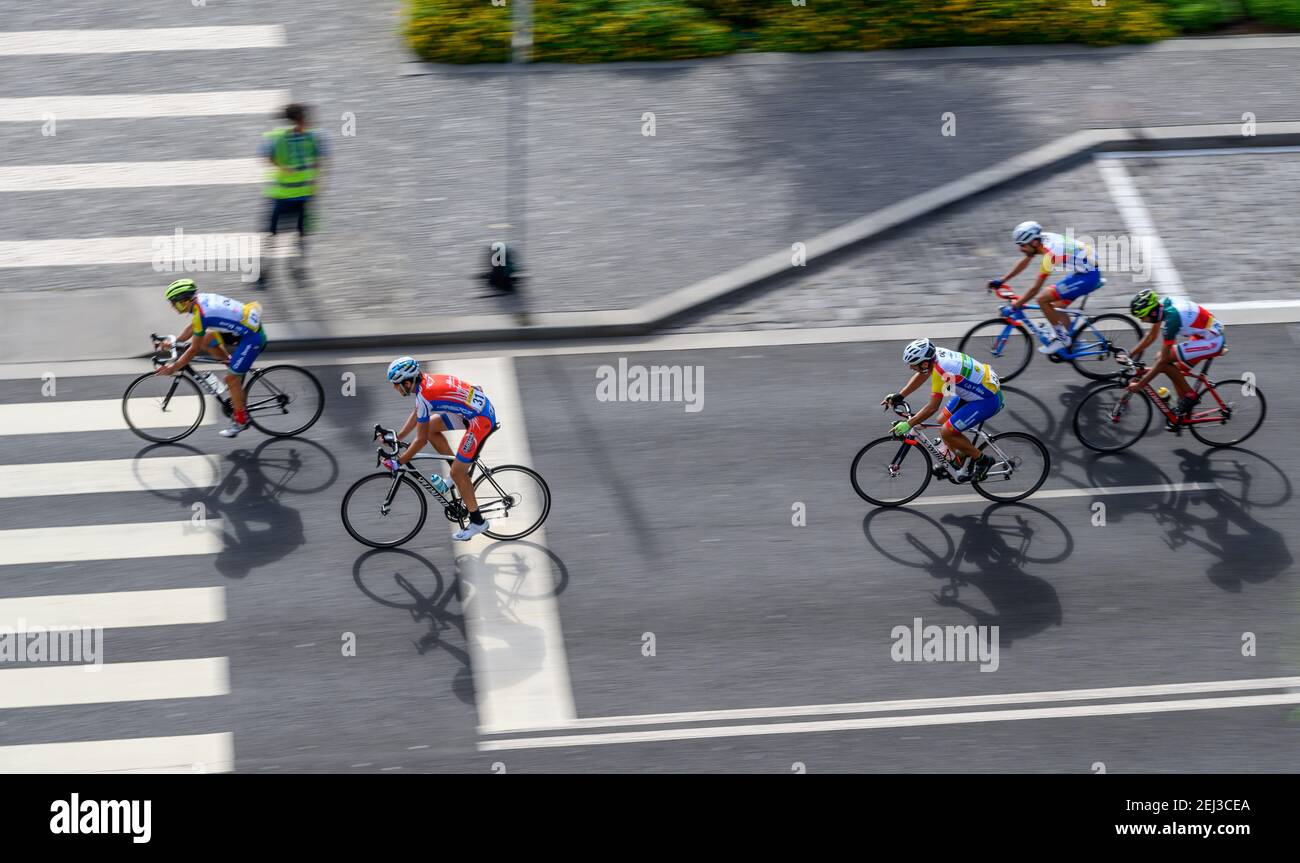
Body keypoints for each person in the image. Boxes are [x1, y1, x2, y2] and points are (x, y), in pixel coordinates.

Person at [384, 357, 497, 541]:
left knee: (459, 473)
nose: (395, 388)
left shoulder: (425, 397)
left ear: (406, 382)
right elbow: (418, 413)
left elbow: (420, 441)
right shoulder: (425, 383)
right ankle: (456, 470)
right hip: (471, 410)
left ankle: (478, 522)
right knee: (431, 429)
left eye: (396, 385)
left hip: (480, 420)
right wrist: (399, 436)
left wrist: (398, 462)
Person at [155, 278, 267, 437]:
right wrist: (175, 340)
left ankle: (241, 420)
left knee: (231, 379)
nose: (173, 307)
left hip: (252, 337)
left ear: (185, 301)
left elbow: (193, 350)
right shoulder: (198, 302)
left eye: (175, 303)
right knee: (207, 340)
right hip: (244, 326)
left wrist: (174, 367)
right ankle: (234, 369)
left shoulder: (201, 314)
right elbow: (194, 326)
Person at [882, 338, 1002, 482]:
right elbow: (923, 374)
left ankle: (983, 461)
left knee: (947, 431)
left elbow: (932, 407)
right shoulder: (935, 355)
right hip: (975, 389)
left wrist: (909, 424)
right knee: (942, 421)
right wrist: (900, 395)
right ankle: (960, 456)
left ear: (925, 363)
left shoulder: (943, 370)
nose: (910, 367)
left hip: (987, 400)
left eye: (912, 364)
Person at [989, 220, 1102, 355]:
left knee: (1042, 299)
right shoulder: (1040, 240)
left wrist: (1015, 306)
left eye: (1022, 245)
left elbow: (1035, 289)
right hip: (1084, 270)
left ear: (1034, 243)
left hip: (1088, 276)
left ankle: (1063, 339)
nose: (1020, 249)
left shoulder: (1050, 254)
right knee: (1055, 307)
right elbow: (1025, 261)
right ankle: (1074, 342)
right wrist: (1002, 280)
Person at [1126, 289, 1226, 418]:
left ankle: (1190, 396)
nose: (1142, 321)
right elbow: (1151, 335)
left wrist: (1140, 385)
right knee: (1174, 369)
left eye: (1142, 316)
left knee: (1162, 359)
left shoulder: (1172, 318)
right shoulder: (1161, 306)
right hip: (1204, 336)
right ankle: (1182, 407)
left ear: (1152, 312)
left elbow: (1162, 361)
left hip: (1212, 341)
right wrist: (1130, 354)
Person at [258, 103, 326, 288]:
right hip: (292, 194)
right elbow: (320, 160)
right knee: (290, 235)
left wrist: (314, 179)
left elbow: (266, 156)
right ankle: (287, 271)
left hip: (292, 194)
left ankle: (277, 272)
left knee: (285, 234)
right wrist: (316, 181)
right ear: (299, 119)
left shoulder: (281, 137)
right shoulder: (311, 137)